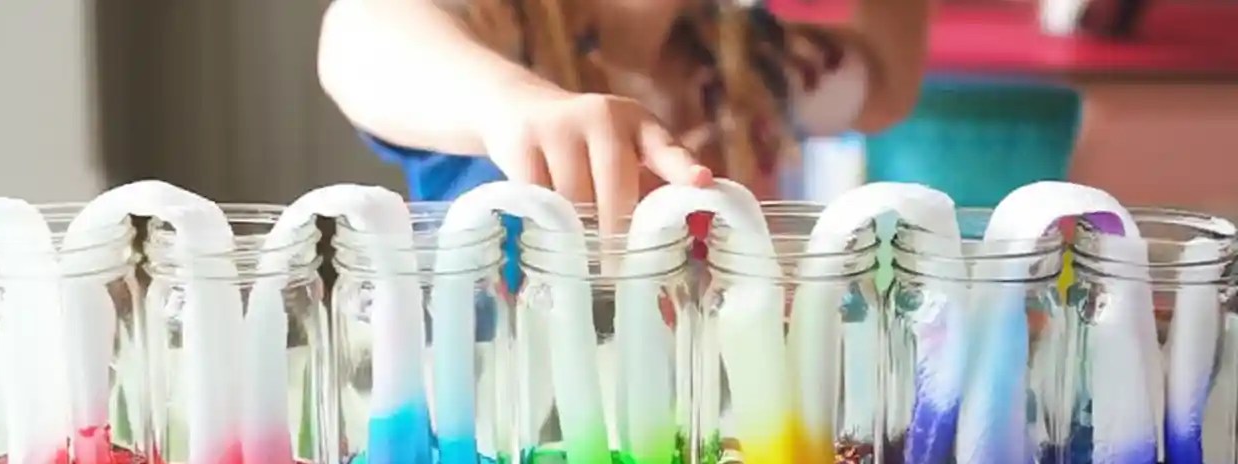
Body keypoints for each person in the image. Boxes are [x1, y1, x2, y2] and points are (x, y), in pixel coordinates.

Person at [318, 0, 931, 233]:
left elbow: (886, 88)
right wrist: (516, 102)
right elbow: (359, 33)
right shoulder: (503, 27)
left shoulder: (747, 61)